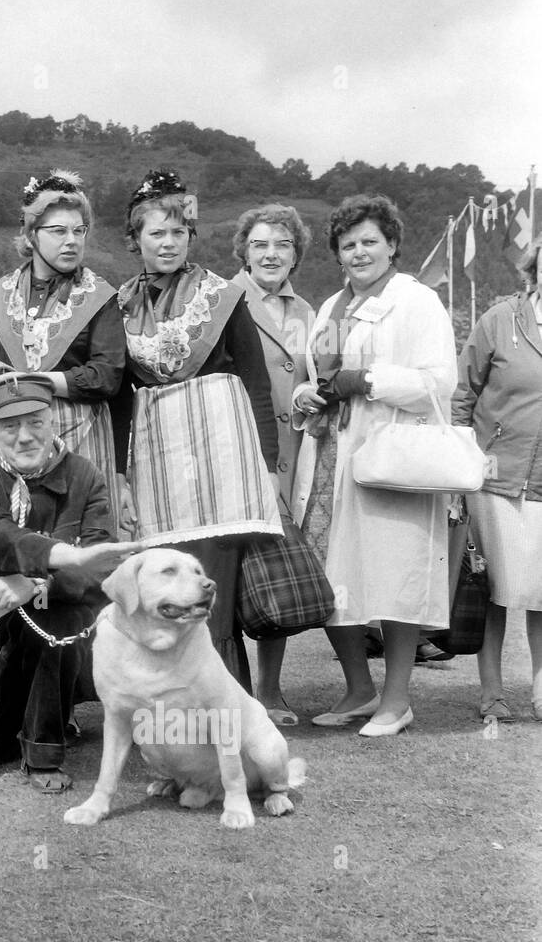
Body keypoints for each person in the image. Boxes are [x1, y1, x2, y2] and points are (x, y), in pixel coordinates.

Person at [0, 374, 141, 791]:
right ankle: (19, 721)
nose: (24, 437)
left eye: (35, 422)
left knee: (59, 620)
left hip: (53, 628)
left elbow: (99, 567)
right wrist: (64, 558)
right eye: (9, 427)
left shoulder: (84, 475)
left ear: (52, 420)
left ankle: (43, 752)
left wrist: (39, 587)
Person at [111, 169, 279, 689]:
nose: (168, 242)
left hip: (221, 456)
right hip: (158, 457)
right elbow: (118, 397)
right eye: (156, 233)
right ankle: (168, 708)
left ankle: (227, 707)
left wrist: (268, 465)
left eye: (178, 232)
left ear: (190, 237)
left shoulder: (223, 297)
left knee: (211, 590)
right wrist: (118, 473)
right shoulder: (118, 305)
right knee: (166, 584)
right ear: (136, 238)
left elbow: (255, 382)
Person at [296, 194, 457, 736]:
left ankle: (397, 698)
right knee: (331, 578)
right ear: (337, 254)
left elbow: (439, 383)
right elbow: (317, 373)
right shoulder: (331, 307)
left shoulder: (415, 302)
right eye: (348, 244)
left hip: (390, 452)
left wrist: (368, 381)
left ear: (392, 245)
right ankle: (359, 687)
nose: (359, 252)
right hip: (329, 455)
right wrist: (309, 395)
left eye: (370, 241)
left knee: (394, 573)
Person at [0, 170, 126, 529]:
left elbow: (107, 376)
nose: (72, 241)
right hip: (11, 440)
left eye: (79, 231)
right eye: (58, 231)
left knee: (76, 551)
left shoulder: (101, 297)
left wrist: (37, 380)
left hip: (81, 442)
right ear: (31, 236)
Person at [228, 203, 317, 725]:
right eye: (260, 244)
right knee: (233, 565)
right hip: (241, 447)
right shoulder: (220, 299)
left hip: (295, 451)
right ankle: (230, 688)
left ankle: (271, 690)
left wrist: (311, 393)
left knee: (275, 567)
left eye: (282, 245)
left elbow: (319, 375)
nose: (270, 254)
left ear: (295, 254)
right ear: (244, 250)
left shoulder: (311, 312)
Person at [451, 233, 542, 721]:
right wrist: (464, 465)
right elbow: (462, 394)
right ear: (535, 263)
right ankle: (492, 694)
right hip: (495, 476)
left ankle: (541, 691)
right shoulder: (500, 319)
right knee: (494, 590)